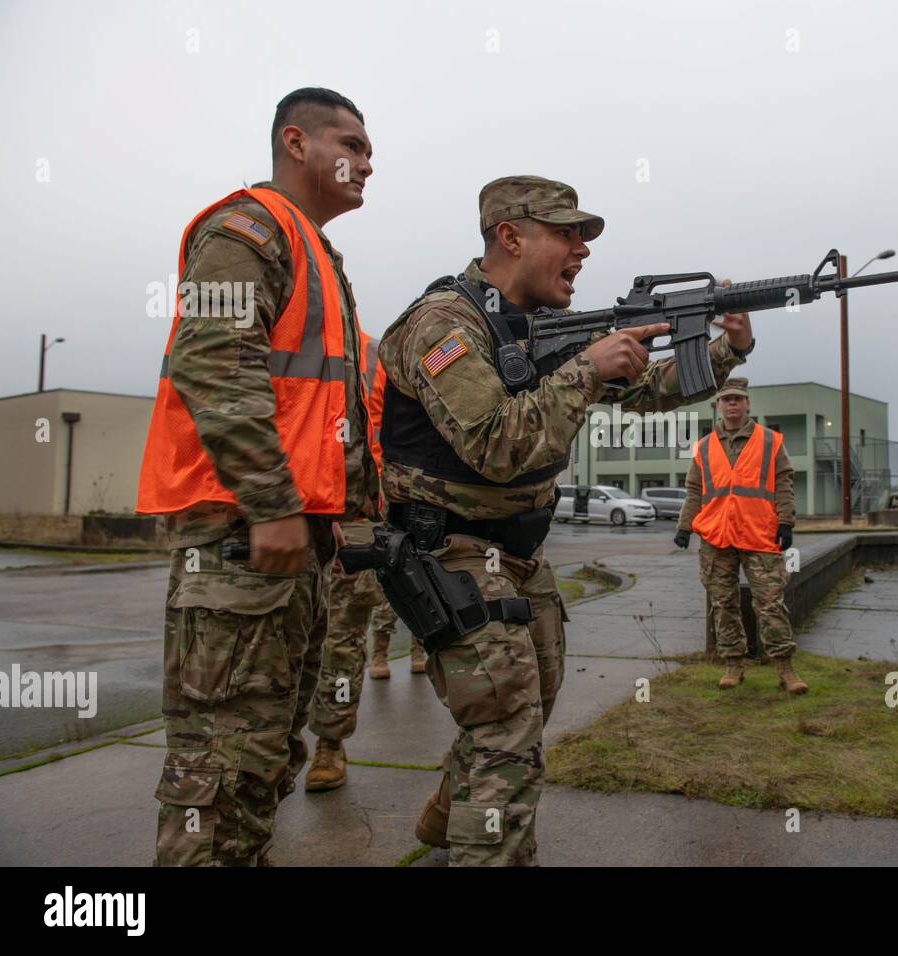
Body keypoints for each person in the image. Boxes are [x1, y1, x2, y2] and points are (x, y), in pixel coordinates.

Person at [377, 174, 753, 865]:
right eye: (566, 234)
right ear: (510, 236)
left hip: (518, 554)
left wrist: (726, 347)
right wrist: (586, 368)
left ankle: (446, 820)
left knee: (529, 708)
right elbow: (496, 444)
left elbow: (648, 390)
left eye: (584, 237)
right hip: (449, 552)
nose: (581, 251)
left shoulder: (547, 330)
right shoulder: (442, 325)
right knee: (505, 734)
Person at [136, 87, 380, 865]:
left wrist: (331, 517)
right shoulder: (246, 228)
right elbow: (215, 362)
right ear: (296, 142)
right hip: (241, 540)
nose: (367, 163)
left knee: (263, 758)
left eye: (371, 149)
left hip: (291, 544)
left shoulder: (317, 251)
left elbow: (317, 411)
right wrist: (274, 504)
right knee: (217, 765)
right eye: (353, 143)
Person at [305, 333, 424, 792]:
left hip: (364, 509)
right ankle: (270, 750)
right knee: (291, 636)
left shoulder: (380, 352)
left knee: (342, 630)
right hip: (296, 502)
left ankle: (330, 742)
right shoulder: (301, 343)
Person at [673, 377, 801, 693]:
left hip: (760, 534)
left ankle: (786, 669)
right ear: (718, 405)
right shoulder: (703, 447)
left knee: (770, 603)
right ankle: (733, 665)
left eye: (738, 399)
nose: (732, 404)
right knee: (722, 603)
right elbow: (694, 490)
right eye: (726, 399)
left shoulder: (770, 441)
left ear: (747, 404)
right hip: (716, 537)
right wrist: (684, 526)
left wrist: (786, 521)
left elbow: (783, 481)